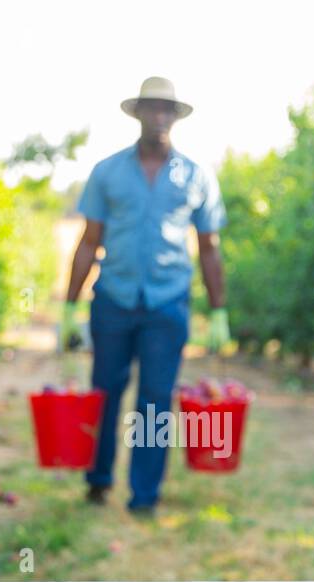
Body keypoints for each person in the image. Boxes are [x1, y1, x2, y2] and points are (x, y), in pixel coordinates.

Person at [62, 77, 228, 515]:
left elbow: (209, 248)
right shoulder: (108, 172)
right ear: (137, 114)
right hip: (113, 298)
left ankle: (144, 495)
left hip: (167, 303)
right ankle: (98, 482)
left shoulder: (195, 176)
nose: (159, 116)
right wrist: (69, 305)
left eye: (166, 109)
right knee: (106, 390)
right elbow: (88, 241)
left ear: (175, 116)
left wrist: (219, 311)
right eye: (151, 108)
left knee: (154, 402)